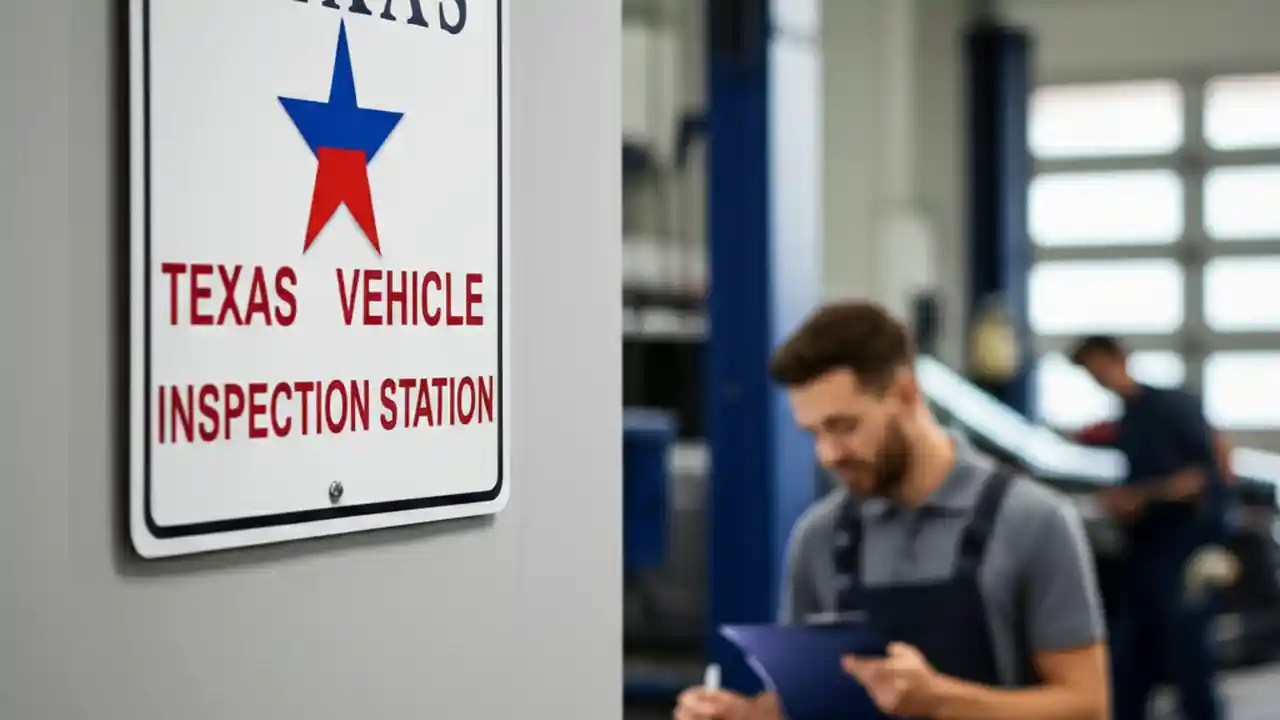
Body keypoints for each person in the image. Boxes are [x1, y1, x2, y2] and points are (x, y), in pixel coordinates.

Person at [675, 302, 1109, 720]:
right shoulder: (820, 538)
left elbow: (1088, 707)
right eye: (813, 433)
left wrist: (940, 701)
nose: (827, 454)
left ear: (905, 393)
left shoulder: (1033, 520)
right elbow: (812, 705)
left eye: (844, 426)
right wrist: (748, 715)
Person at [1070, 335, 1230, 720]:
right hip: (1144, 552)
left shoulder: (1173, 406)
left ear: (1117, 359)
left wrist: (1142, 497)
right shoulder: (1129, 419)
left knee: (1188, 658)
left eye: (1097, 368)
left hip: (1183, 551)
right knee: (1130, 660)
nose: (1097, 379)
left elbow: (1208, 473)